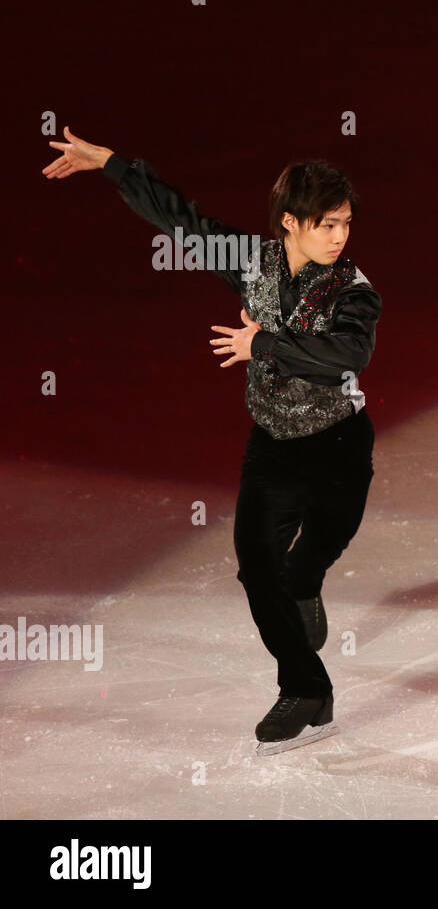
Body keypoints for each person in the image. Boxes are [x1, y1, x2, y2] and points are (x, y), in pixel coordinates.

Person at [42, 127, 382, 753]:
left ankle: (306, 585)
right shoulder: (253, 263)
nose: (340, 236)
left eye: (345, 224)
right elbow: (181, 220)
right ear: (290, 222)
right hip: (275, 447)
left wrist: (265, 344)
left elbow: (347, 355)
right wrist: (111, 164)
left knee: (306, 564)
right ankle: (308, 691)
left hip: (339, 450)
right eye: (327, 224)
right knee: (257, 568)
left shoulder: (353, 292)